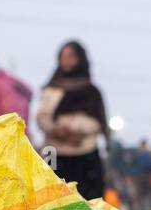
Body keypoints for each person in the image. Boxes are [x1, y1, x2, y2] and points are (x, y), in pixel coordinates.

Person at [37, 40, 108, 200]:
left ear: (80, 59)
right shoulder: (51, 89)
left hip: (84, 152)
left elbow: (97, 121)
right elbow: (42, 118)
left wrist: (74, 128)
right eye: (63, 56)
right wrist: (57, 129)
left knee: (87, 203)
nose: (66, 61)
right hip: (53, 151)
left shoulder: (91, 91)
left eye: (71, 56)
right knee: (50, 200)